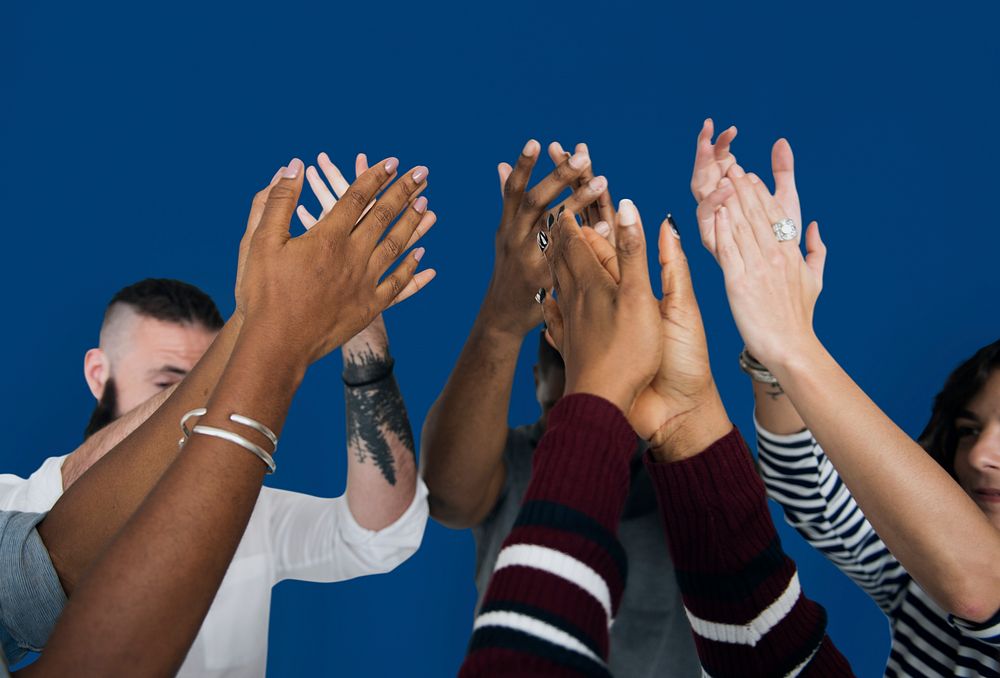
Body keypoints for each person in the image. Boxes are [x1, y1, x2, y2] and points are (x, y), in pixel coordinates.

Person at [0, 155, 434, 677]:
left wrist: (356, 332)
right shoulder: (15, 505)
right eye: (167, 381)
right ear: (98, 372)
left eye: (210, 374)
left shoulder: (252, 510)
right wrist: (269, 338)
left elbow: (379, 537)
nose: (205, 395)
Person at [461, 201, 851, 676]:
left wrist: (602, 394)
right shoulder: (514, 460)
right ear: (537, 380)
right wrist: (684, 417)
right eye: (565, 368)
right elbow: (770, 653)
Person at [690, 120, 1000, 674]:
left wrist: (793, 342)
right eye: (970, 429)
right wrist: (769, 348)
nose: (979, 456)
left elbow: (978, 588)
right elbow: (808, 489)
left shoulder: (960, 573)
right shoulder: (917, 576)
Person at [420, 141, 703, 676]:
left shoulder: (690, 467)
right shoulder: (516, 462)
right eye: (564, 352)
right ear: (537, 381)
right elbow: (447, 498)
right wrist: (503, 316)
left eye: (600, 351)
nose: (588, 370)